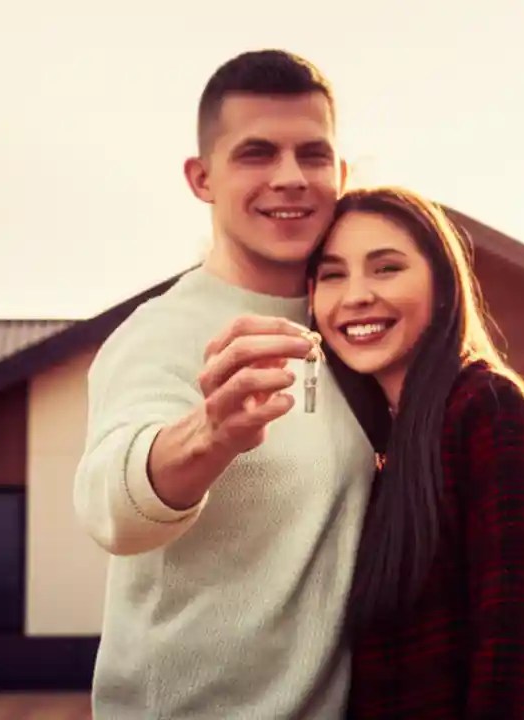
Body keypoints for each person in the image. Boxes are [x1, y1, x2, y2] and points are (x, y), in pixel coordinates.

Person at [73, 50, 376, 719]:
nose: (291, 178)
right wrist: (209, 434)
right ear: (202, 177)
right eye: (257, 153)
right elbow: (108, 507)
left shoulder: (360, 334)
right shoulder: (160, 334)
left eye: (314, 155)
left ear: (342, 173)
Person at [307, 187, 524, 718]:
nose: (357, 295)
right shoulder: (369, 439)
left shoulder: (488, 410)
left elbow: (508, 652)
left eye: (386, 268)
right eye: (332, 275)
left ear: (442, 286)